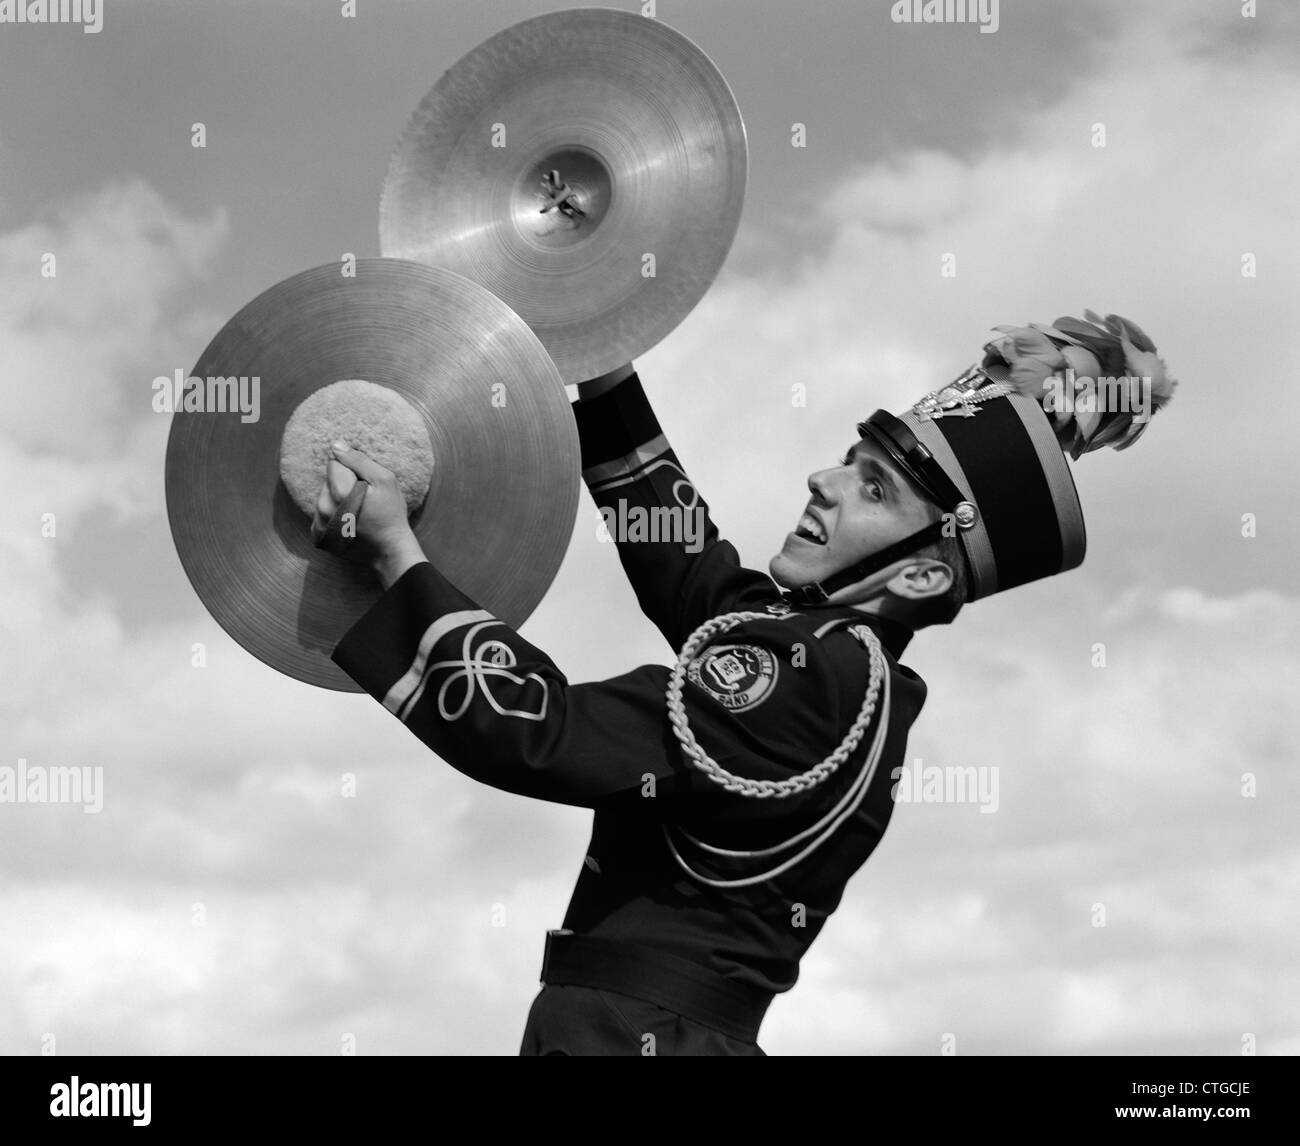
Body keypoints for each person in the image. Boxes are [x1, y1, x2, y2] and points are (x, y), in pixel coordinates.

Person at [321, 311, 1175, 1056]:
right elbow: (690, 573)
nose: (825, 482)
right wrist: (599, 345)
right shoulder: (836, 663)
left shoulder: (814, 678)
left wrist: (398, 556)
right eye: (850, 459)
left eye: (872, 488)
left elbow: (539, 736)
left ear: (917, 580)